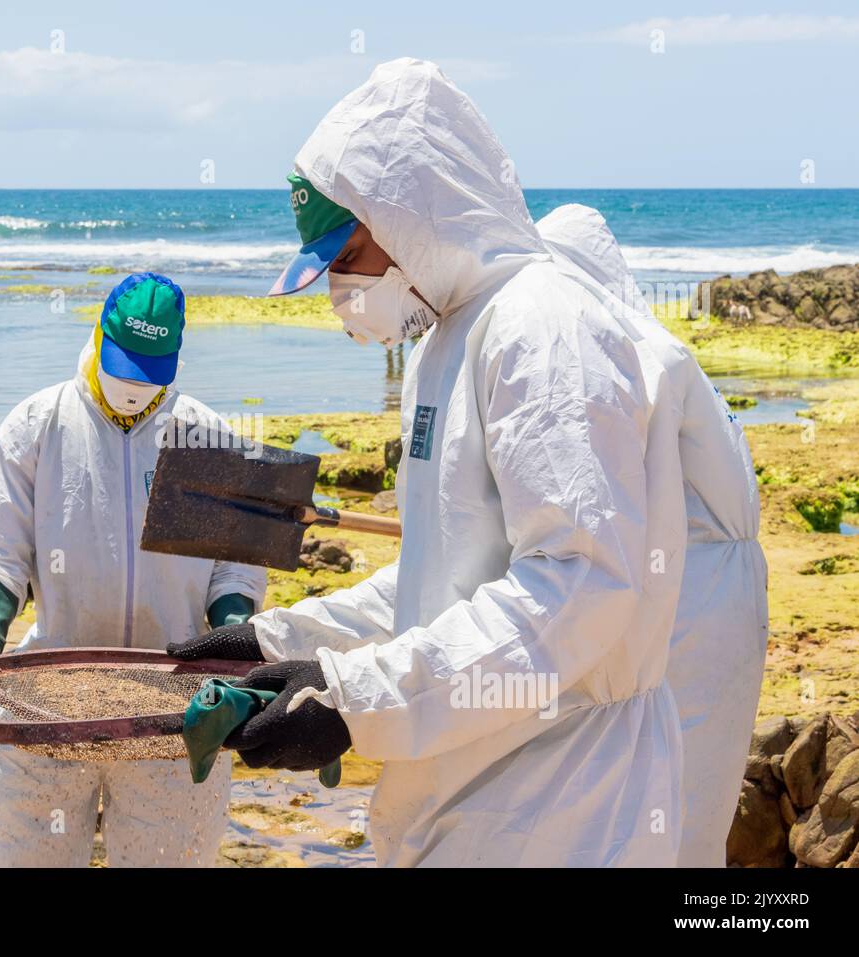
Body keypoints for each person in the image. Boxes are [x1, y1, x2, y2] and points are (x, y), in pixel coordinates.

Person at [172, 59, 690, 867]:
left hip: (560, 798)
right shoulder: (446, 344)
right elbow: (439, 576)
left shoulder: (542, 327)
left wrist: (358, 700)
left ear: (412, 213)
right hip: (464, 786)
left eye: (348, 253)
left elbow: (578, 587)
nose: (341, 286)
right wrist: (283, 640)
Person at [0, 271, 266, 868]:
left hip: (174, 710)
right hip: (44, 698)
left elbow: (235, 569)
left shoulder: (206, 438)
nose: (133, 385)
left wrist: (233, 638)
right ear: (99, 336)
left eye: (150, 372)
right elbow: (1, 548)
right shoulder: (36, 426)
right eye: (124, 364)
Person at [535, 203, 769, 867]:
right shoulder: (666, 350)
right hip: (723, 590)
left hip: (690, 598)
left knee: (669, 798)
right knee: (694, 797)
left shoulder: (634, 358)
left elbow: (604, 497)